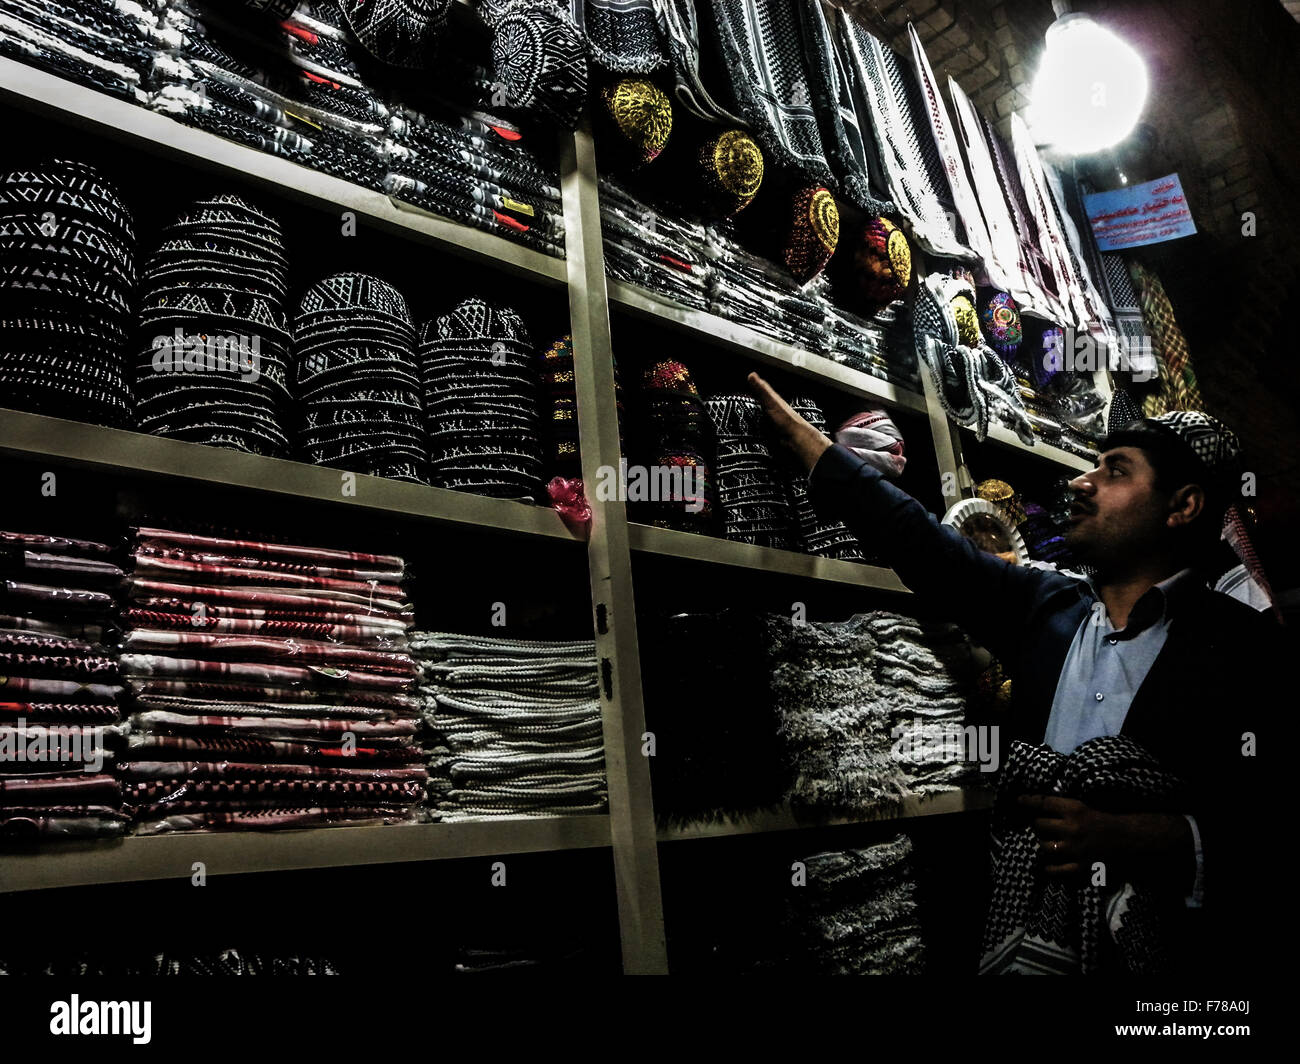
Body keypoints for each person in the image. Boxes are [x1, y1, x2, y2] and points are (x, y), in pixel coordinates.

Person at [748, 371, 1279, 974]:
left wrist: (1146, 837)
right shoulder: (1046, 607)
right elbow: (920, 542)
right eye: (1091, 465)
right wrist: (807, 442)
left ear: (1183, 506)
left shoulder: (1246, 649)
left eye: (1116, 470)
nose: (1082, 481)